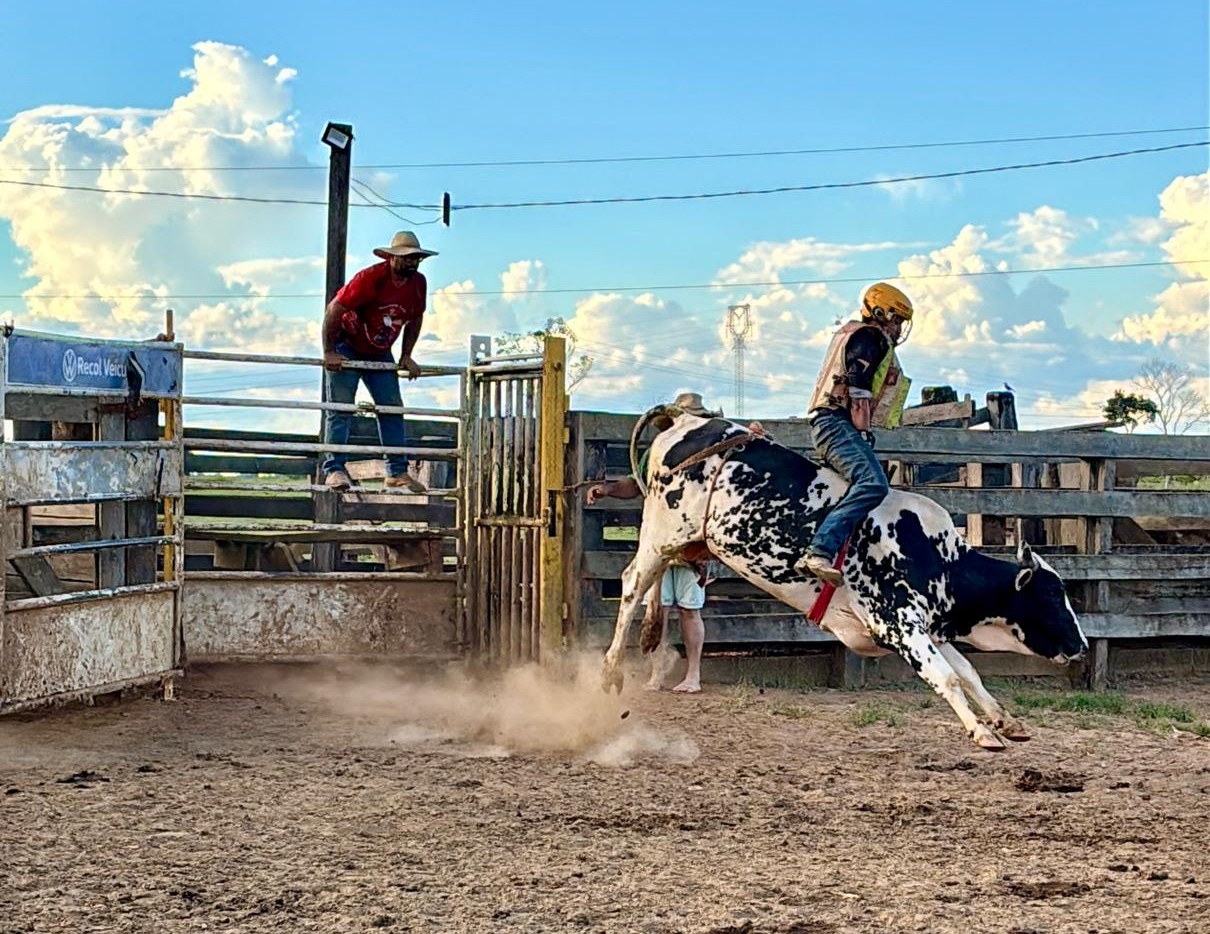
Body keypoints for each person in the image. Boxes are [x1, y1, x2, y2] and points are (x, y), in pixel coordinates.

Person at [586, 392, 720, 693]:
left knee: (689, 610)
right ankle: (657, 675)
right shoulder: (657, 453)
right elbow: (635, 484)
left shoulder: (712, 451)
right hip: (660, 541)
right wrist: (606, 490)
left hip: (691, 545)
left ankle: (693, 675)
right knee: (655, 610)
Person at [794, 282, 915, 586]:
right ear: (881, 312)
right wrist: (861, 431)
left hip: (827, 422)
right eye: (896, 319)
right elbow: (859, 390)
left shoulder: (852, 333)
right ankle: (820, 550)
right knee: (874, 484)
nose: (898, 329)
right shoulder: (870, 338)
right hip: (836, 423)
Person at [320, 230, 437, 492]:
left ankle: (396, 471)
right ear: (391, 258)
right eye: (406, 258)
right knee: (340, 408)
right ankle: (335, 469)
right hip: (347, 345)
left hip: (379, 349)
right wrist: (329, 351)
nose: (412, 263)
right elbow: (334, 310)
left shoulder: (418, 284)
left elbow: (415, 317)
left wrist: (406, 354)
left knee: (392, 407)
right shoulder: (370, 278)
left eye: (416, 258)